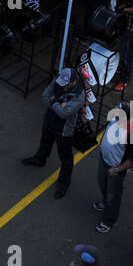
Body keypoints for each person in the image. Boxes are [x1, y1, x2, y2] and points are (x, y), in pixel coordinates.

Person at [21, 67, 88, 199]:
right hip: (51, 119)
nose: (59, 85)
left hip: (64, 129)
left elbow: (65, 113)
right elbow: (44, 96)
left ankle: (64, 182)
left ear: (73, 82)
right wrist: (59, 104)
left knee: (66, 157)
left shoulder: (79, 95)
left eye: (65, 85)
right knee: (45, 141)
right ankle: (39, 159)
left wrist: (53, 101)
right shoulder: (62, 78)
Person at [93, 101, 133, 233]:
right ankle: (106, 204)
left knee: (113, 193)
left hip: (115, 167)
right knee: (102, 183)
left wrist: (117, 169)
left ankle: (109, 220)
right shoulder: (118, 115)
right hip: (105, 159)